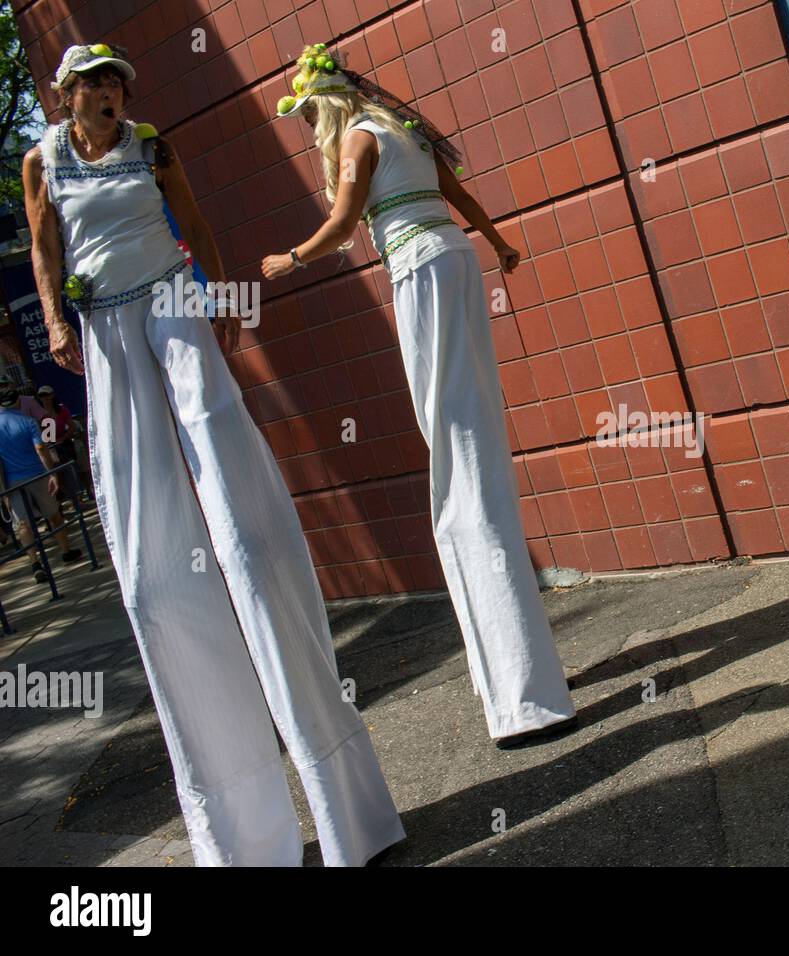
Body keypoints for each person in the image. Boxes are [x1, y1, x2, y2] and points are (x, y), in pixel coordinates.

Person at [24, 42, 404, 865]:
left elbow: (193, 223)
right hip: (105, 329)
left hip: (168, 300)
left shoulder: (154, 144)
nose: (108, 94)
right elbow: (45, 247)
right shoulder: (42, 159)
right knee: (156, 570)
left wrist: (218, 288)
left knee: (244, 532)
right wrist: (56, 320)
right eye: (92, 85)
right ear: (67, 97)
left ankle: (349, 821)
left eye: (116, 82)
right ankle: (246, 842)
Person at [261, 45, 576, 748]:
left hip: (423, 269)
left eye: (309, 112)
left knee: (455, 451)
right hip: (452, 258)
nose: (310, 125)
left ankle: (523, 692)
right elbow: (458, 196)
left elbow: (344, 225)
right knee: (465, 435)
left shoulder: (360, 137)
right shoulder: (402, 127)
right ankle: (516, 672)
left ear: (326, 105)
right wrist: (497, 243)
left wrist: (291, 259)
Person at [0, 387, 82, 579]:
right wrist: (52, 442)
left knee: (22, 524)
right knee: (53, 513)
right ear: (17, 400)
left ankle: (34, 563)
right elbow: (46, 423)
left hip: (12, 480)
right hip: (37, 473)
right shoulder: (28, 408)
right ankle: (65, 551)